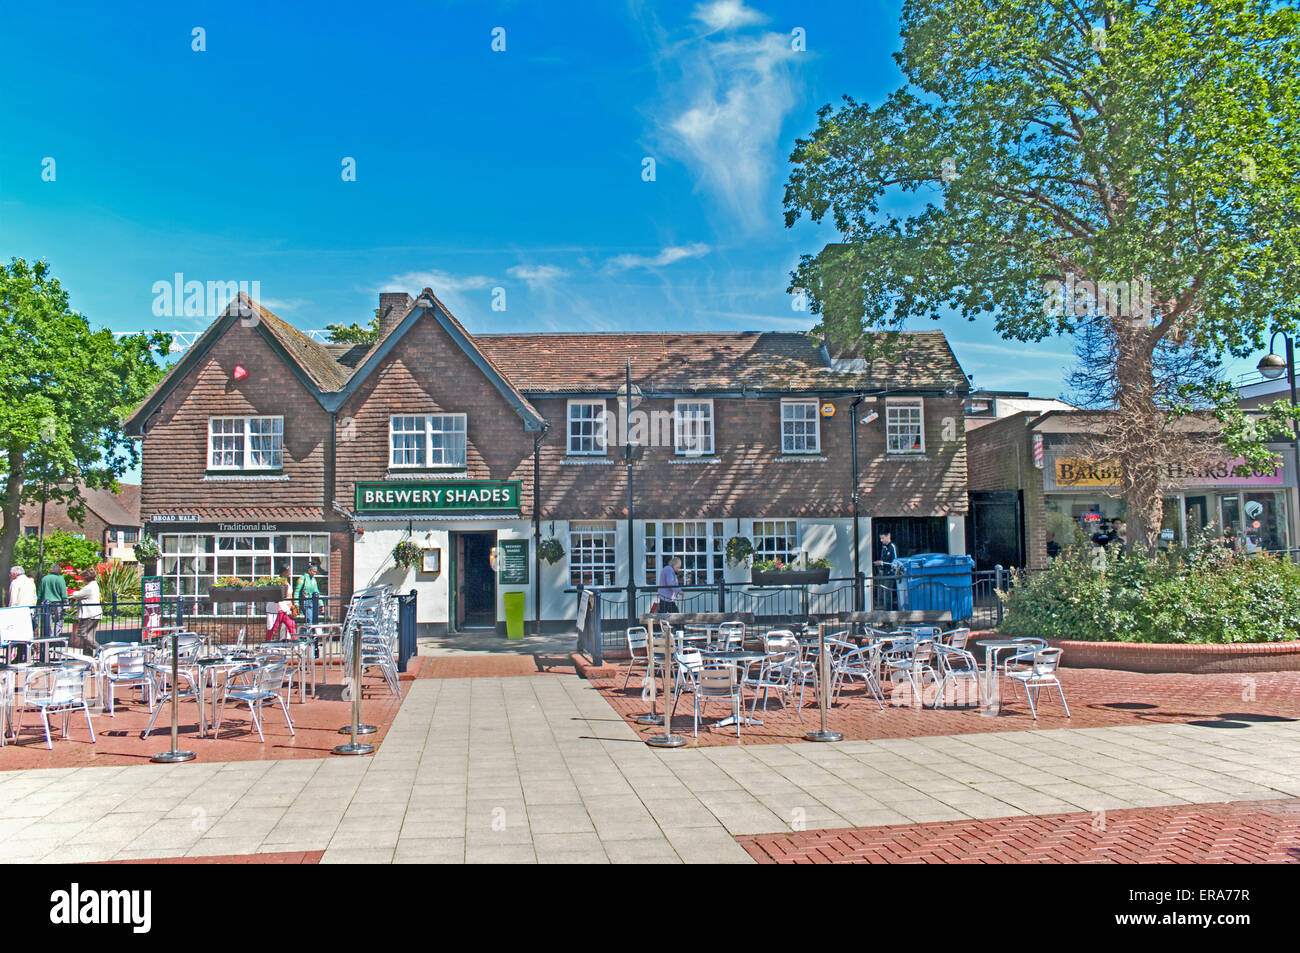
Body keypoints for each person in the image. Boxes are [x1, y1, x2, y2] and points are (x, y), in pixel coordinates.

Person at [67, 568, 102, 651]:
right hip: (95, 614)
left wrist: (74, 593)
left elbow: (76, 595)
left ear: (86, 578)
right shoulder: (94, 585)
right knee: (90, 636)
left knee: (83, 634)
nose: (82, 580)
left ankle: (100, 649)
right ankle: (88, 657)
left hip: (89, 614)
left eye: (82, 578)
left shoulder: (89, 587)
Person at [37, 565, 68, 641]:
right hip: (58, 603)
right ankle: (55, 636)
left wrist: (38, 604)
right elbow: (63, 592)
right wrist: (66, 602)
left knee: (47, 620)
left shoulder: (45, 578)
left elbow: (40, 593)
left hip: (46, 603)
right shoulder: (60, 579)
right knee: (59, 620)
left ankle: (48, 636)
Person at [267, 564, 297, 639]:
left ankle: (296, 643)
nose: (290, 572)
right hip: (278, 609)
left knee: (291, 625)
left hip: (285, 610)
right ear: (284, 572)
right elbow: (280, 597)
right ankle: (267, 642)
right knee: (273, 627)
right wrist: (287, 609)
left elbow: (288, 596)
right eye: (289, 571)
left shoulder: (285, 582)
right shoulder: (278, 582)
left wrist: (291, 607)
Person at [295, 562, 322, 628]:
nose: (315, 573)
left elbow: (316, 592)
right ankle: (305, 636)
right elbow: (297, 590)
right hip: (305, 601)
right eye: (313, 571)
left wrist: (321, 604)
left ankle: (307, 636)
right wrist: (296, 603)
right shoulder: (303, 578)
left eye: (316, 572)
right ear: (309, 570)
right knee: (309, 619)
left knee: (313, 621)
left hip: (313, 602)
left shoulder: (314, 580)